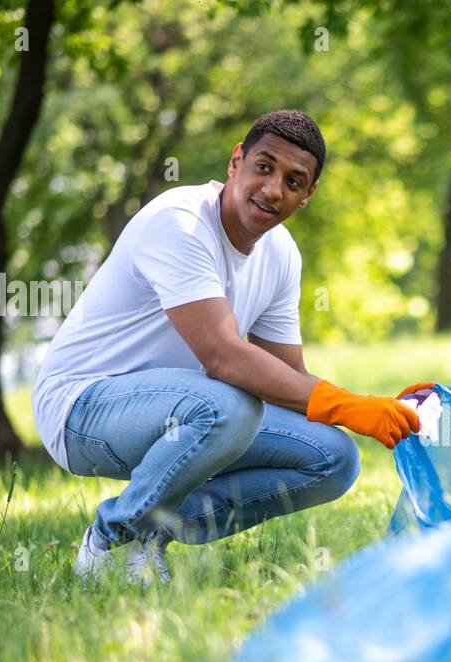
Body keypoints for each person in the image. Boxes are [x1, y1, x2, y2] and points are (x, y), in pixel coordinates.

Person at [32, 109, 430, 584]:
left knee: (333, 457)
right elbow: (222, 356)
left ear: (308, 195)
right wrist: (345, 405)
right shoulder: (178, 222)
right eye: (264, 167)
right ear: (235, 161)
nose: (273, 189)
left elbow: (287, 380)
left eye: (294, 181)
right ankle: (109, 540)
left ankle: (152, 535)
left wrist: (380, 409)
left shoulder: (281, 255)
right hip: (82, 409)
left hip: (182, 412)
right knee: (233, 405)